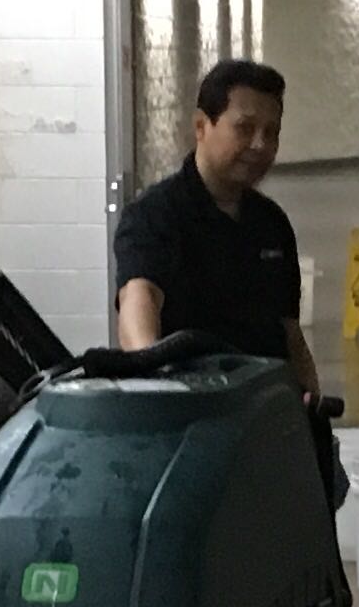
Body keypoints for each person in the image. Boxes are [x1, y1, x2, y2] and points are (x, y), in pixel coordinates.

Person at [113, 57, 322, 402]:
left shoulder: (271, 224)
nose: (260, 145)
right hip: (192, 410)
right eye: (245, 128)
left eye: (271, 133)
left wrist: (313, 420)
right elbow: (139, 301)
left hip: (264, 413)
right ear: (201, 127)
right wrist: (153, 386)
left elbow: (290, 336)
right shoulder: (154, 216)